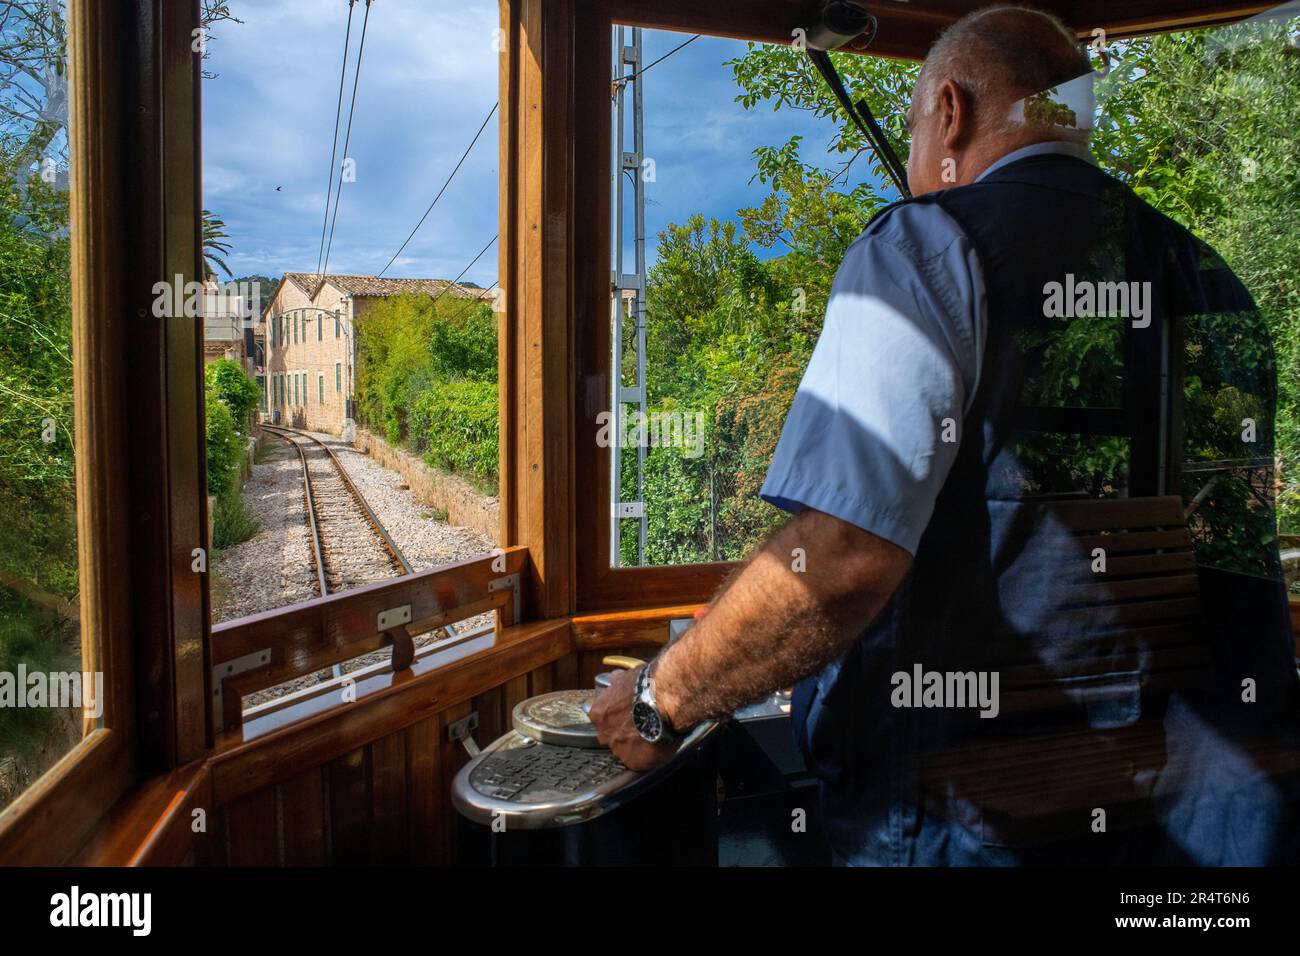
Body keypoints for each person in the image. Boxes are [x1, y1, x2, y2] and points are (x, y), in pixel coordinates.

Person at [589, 4, 1300, 865]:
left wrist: (660, 697)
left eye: (916, 129)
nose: (919, 170)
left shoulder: (927, 247)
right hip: (1185, 828)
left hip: (955, 824)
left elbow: (845, 553)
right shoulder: (1213, 280)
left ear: (951, 112)